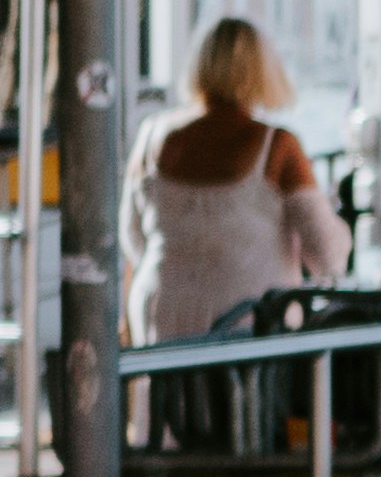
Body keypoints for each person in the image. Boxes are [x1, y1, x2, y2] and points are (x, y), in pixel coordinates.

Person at [133, 19, 354, 344]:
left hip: (162, 312)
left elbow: (132, 236)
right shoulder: (278, 146)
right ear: (265, 72)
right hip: (250, 321)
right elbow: (327, 255)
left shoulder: (153, 138)